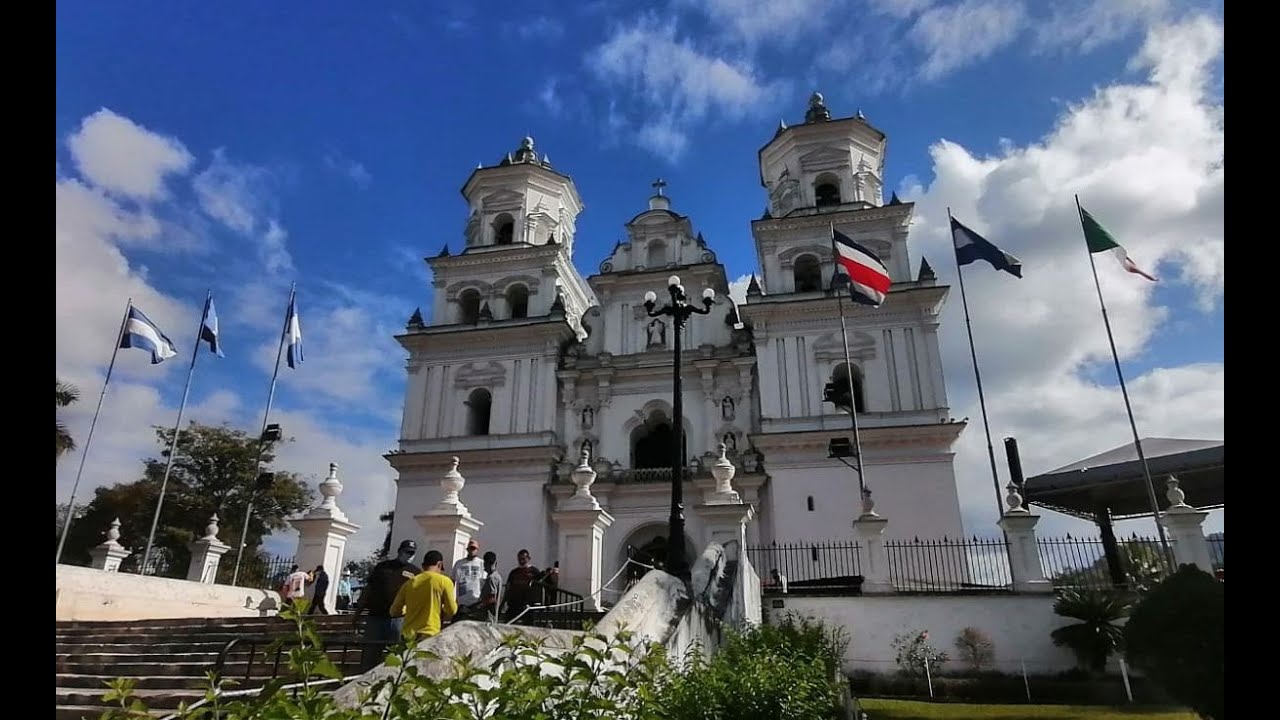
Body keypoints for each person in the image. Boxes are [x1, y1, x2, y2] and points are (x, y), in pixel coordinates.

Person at [352, 540, 422, 670]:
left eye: (412, 553)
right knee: (370, 654)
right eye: (407, 552)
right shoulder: (382, 567)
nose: (409, 555)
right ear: (400, 551)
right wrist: (357, 613)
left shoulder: (416, 573)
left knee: (396, 656)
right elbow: (368, 589)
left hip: (398, 619)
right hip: (376, 617)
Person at [390, 550, 457, 640]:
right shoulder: (444, 581)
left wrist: (407, 610)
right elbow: (452, 610)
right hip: (429, 634)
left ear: (423, 566)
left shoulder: (409, 583)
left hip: (408, 635)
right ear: (439, 564)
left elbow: (394, 611)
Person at [452, 539, 486, 612]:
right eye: (470, 548)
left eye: (474, 548)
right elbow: (452, 581)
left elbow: (484, 583)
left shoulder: (481, 563)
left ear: (477, 550)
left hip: (476, 602)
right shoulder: (459, 563)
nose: (472, 550)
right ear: (467, 549)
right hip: (461, 602)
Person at [478, 551, 503, 621]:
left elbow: (491, 599)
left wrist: (478, 606)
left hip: (488, 616)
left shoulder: (492, 578)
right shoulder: (497, 576)